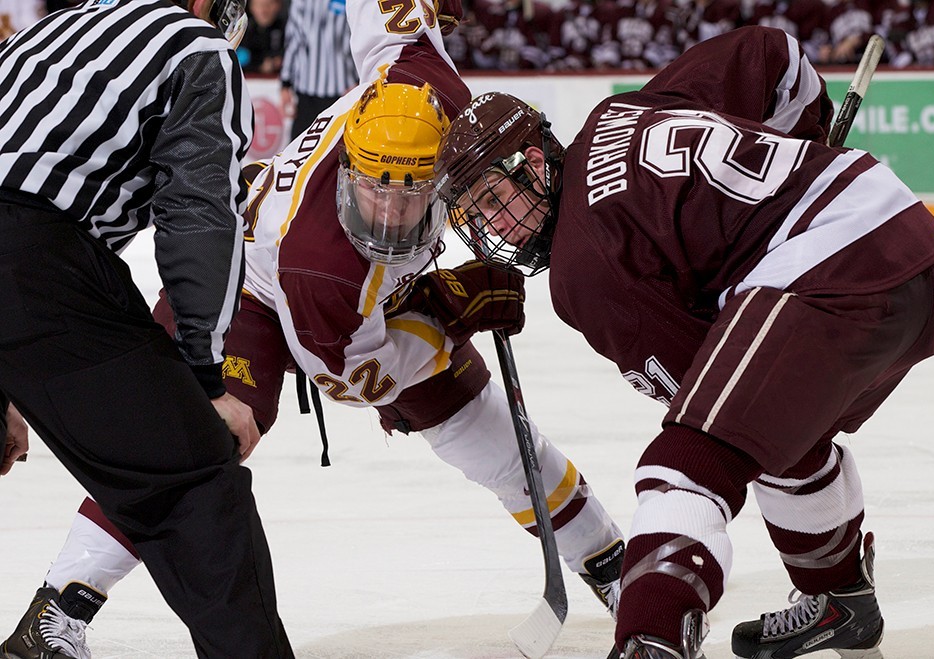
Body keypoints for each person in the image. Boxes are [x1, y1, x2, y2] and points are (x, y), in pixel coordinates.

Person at [2, 0, 624, 656]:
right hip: (253, 280)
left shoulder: (420, 75)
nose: (388, 213)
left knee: (484, 429)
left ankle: (616, 567)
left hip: (351, 291)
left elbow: (386, 16)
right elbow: (354, 376)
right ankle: (58, 610)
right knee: (188, 443)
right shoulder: (324, 264)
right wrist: (445, 312)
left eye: (411, 193)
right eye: (373, 191)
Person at [434, 25, 934, 659]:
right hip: (907, 248)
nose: (494, 227)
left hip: (835, 271)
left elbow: (698, 397)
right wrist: (803, 151)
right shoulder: (621, 111)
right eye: (473, 214)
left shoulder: (582, 269)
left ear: (537, 164)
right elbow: (770, 55)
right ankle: (841, 599)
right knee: (771, 437)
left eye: (494, 198)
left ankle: (653, 636)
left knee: (689, 461)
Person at [0, 0, 295, 657]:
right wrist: (203, 377)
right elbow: (196, 214)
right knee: (196, 482)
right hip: (37, 256)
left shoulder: (46, 33)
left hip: (24, 261)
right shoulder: (196, 47)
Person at [279, 0, 358, 140]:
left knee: (334, 148)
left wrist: (358, 80)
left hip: (340, 88)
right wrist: (285, 83)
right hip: (313, 88)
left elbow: (293, 41)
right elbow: (293, 40)